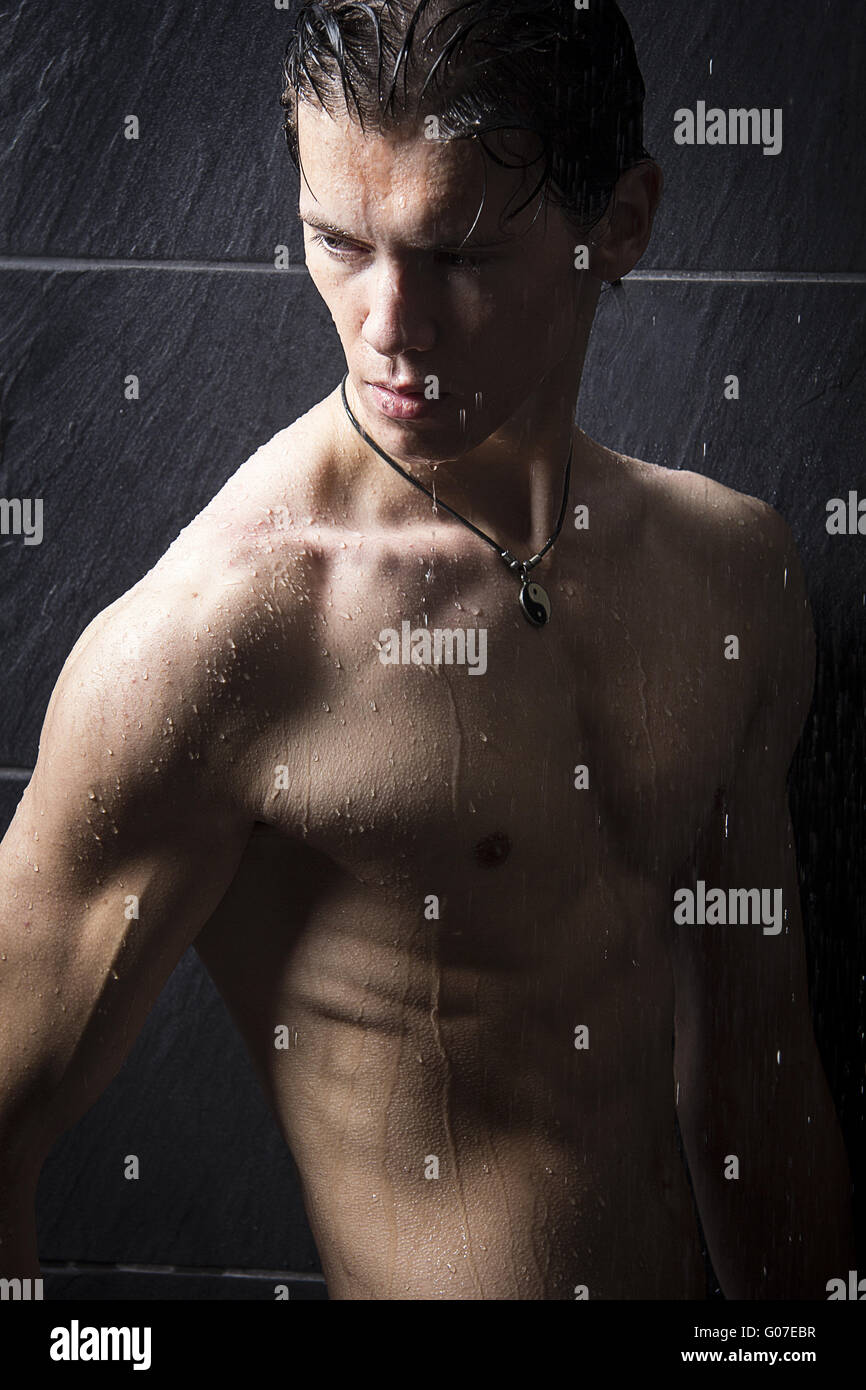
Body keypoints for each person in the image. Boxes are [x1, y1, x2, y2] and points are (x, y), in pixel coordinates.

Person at [0, 0, 853, 1299]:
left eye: (455, 254)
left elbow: (752, 1084)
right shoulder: (227, 633)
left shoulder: (730, 568)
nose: (386, 322)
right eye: (337, 243)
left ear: (618, 223)